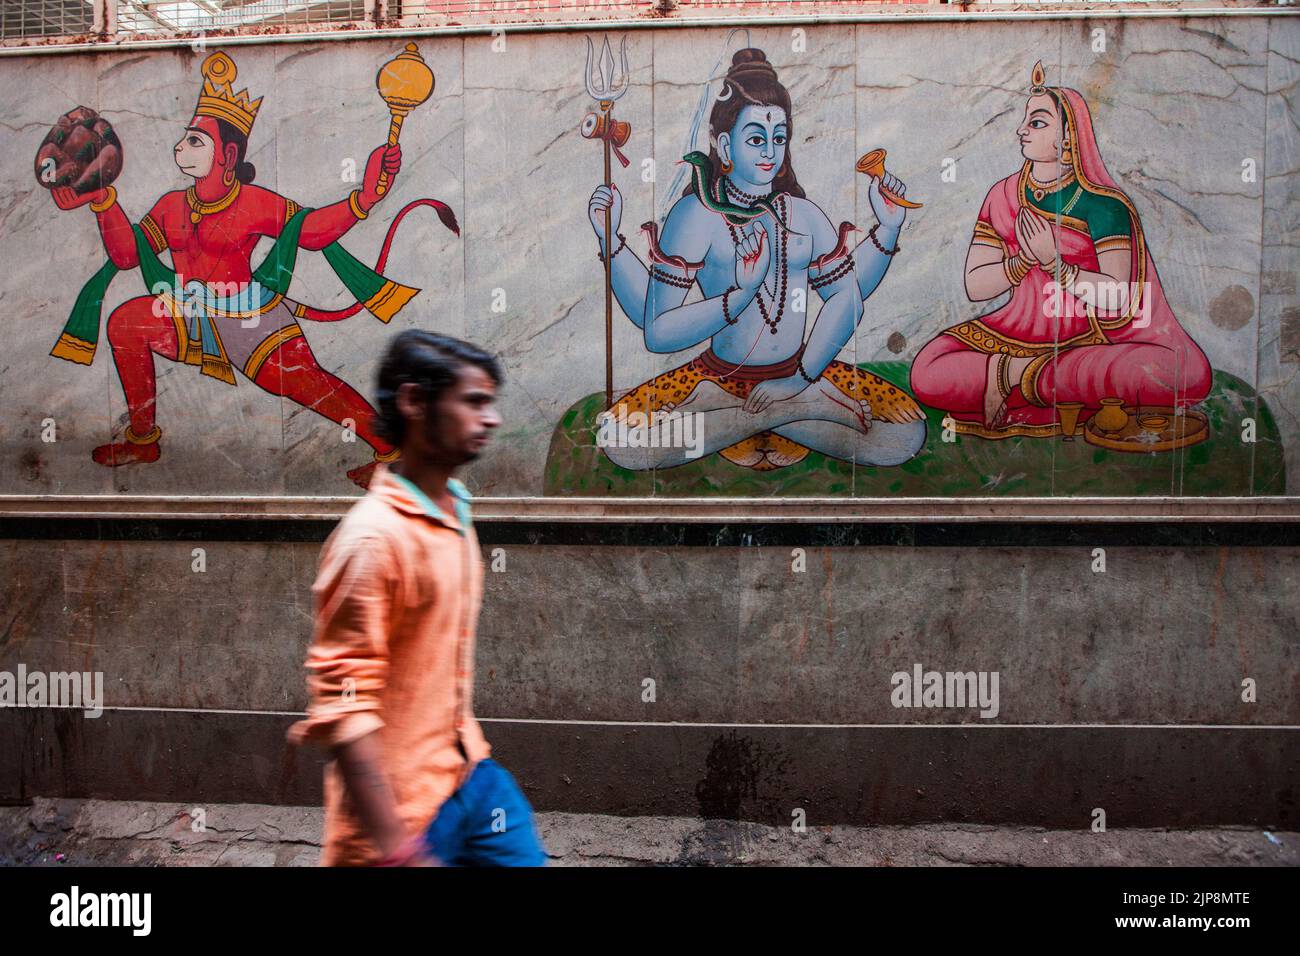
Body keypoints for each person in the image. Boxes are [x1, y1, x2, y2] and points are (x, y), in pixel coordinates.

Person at [48, 50, 456, 488]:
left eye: (194, 141)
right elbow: (128, 255)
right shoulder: (171, 206)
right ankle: (143, 439)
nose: (180, 148)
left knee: (307, 384)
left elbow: (311, 232)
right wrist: (102, 201)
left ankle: (392, 453)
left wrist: (365, 200)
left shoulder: (253, 202)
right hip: (190, 314)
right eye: (184, 139)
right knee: (127, 324)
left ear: (225, 154)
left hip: (251, 319)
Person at [586, 47, 926, 472]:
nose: (769, 152)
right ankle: (796, 413)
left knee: (904, 438)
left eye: (778, 138)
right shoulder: (696, 215)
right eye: (755, 138)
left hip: (797, 374)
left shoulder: (801, 213)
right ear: (725, 143)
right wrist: (611, 240)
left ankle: (774, 411)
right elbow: (656, 328)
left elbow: (849, 296)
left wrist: (888, 227)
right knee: (623, 444)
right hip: (718, 379)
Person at [288, 330, 545, 867]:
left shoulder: (455, 506)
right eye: (473, 401)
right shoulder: (372, 541)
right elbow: (345, 704)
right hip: (405, 817)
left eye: (490, 403)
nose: (491, 418)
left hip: (470, 773)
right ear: (414, 402)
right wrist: (396, 849)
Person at [909, 61, 1212, 438]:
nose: (1021, 130)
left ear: (1069, 137)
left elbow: (1119, 298)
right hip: (1013, 334)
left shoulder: (1104, 205)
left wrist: (1057, 265)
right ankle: (1025, 375)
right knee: (926, 371)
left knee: (1186, 375)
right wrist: (1023, 260)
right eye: (1025, 122)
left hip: (1093, 338)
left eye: (1037, 122)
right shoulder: (1004, 194)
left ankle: (1019, 377)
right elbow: (976, 286)